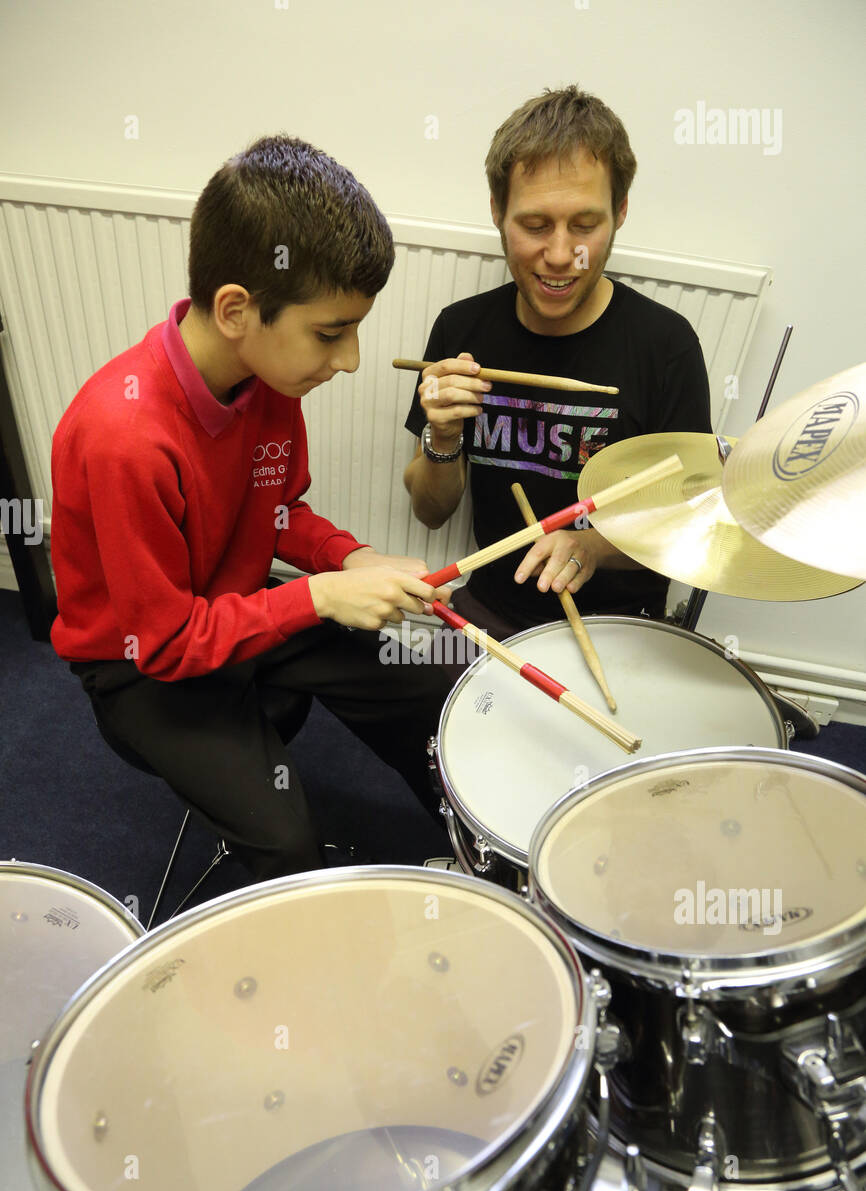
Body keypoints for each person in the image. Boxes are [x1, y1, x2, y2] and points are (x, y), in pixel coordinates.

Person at [50, 135, 452, 884]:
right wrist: (320, 595)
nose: (352, 359)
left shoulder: (267, 380)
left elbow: (274, 513)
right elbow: (166, 644)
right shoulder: (125, 437)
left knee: (427, 680)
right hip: (142, 665)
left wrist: (349, 558)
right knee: (286, 845)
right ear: (237, 309)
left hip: (228, 611)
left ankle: (480, 856)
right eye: (331, 333)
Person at [404, 85, 712, 653]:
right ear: (497, 211)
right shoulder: (461, 331)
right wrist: (443, 436)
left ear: (620, 212)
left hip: (620, 625)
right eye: (536, 225)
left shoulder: (666, 345)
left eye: (585, 225)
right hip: (490, 612)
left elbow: (686, 523)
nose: (561, 254)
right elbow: (430, 510)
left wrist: (591, 548)